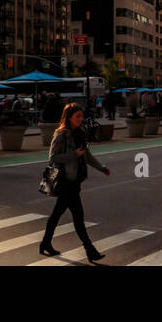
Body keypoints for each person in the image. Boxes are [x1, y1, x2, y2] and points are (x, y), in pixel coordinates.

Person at [39, 103, 110, 262]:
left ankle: (45, 243)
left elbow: (87, 155)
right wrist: (73, 154)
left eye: (81, 115)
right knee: (77, 217)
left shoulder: (80, 133)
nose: (80, 118)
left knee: (57, 214)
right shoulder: (61, 134)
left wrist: (102, 168)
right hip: (65, 181)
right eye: (77, 116)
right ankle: (90, 250)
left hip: (74, 180)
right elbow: (53, 157)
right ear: (69, 117)